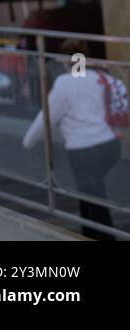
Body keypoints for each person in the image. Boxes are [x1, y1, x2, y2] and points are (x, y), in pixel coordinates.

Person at [22, 39, 124, 239]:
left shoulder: (65, 83)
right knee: (90, 191)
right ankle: (91, 232)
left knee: (92, 194)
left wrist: (28, 141)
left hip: (83, 149)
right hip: (110, 145)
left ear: (63, 59)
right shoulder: (97, 77)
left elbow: (48, 116)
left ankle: (103, 234)